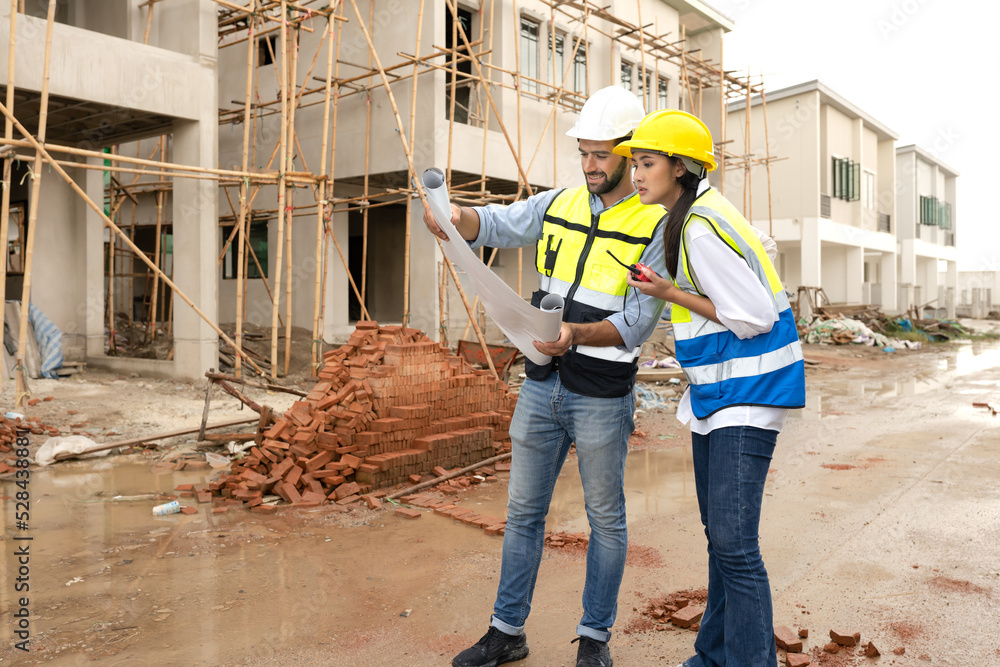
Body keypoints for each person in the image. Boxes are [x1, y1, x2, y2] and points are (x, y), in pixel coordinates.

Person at [423, 86, 668, 667]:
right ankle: (506, 632)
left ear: (631, 154)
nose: (588, 165)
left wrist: (577, 336)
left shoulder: (657, 224)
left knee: (605, 521)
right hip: (541, 385)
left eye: (601, 154)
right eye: (583, 152)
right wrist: (454, 218)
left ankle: (594, 641)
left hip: (602, 396)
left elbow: (637, 321)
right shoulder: (559, 201)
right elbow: (500, 224)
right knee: (523, 515)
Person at [614, 109, 806, 667]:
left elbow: (751, 317)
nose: (638, 175)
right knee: (721, 540)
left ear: (680, 167)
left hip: (746, 396)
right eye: (636, 164)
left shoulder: (697, 226)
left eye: (647, 163)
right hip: (719, 397)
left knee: (735, 547)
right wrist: (667, 287)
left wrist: (669, 294)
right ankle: (713, 656)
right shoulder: (695, 214)